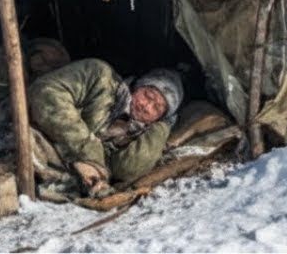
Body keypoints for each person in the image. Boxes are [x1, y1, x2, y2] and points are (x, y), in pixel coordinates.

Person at [27, 58, 183, 198]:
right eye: (148, 95)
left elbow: (127, 169)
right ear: (137, 86)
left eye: (158, 108)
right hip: (30, 129)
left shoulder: (137, 136)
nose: (147, 107)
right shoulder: (100, 76)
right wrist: (91, 154)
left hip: (57, 162)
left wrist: (161, 129)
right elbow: (46, 92)